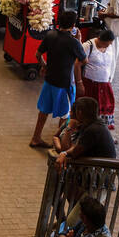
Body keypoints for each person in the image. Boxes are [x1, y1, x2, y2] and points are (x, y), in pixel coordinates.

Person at [31, 10, 86, 148]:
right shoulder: (73, 42)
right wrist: (79, 40)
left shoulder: (50, 35)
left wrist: (44, 66)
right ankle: (60, 143)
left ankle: (36, 138)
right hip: (64, 84)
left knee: (43, 111)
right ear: (73, 25)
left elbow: (38, 54)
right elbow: (84, 59)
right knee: (65, 115)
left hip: (49, 81)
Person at [54, 97, 117, 175]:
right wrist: (64, 153)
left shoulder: (93, 129)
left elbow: (73, 152)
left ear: (79, 112)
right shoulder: (95, 122)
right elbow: (74, 147)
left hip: (99, 174)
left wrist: (69, 128)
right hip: (97, 169)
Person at [80, 28, 118, 128]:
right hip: (90, 83)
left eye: (110, 44)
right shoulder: (88, 46)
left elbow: (111, 63)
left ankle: (102, 129)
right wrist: (79, 82)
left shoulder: (109, 46)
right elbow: (77, 64)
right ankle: (85, 128)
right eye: (107, 43)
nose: (109, 46)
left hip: (105, 84)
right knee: (89, 108)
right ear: (101, 39)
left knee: (106, 106)